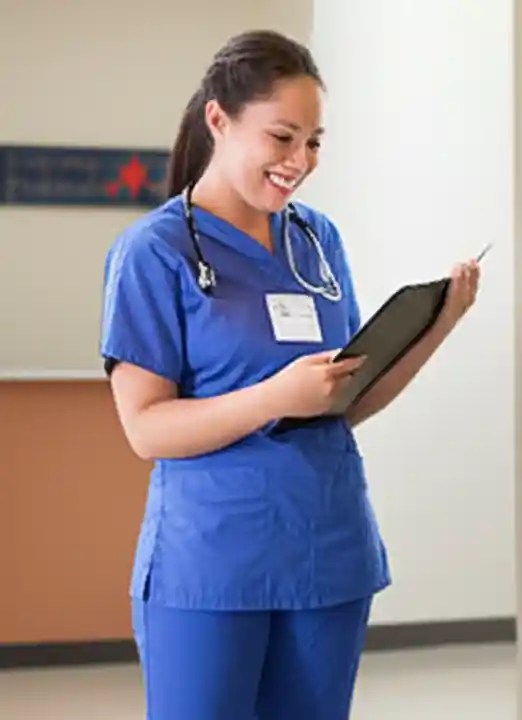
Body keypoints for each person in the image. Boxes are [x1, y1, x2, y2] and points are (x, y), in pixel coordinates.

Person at [99, 30, 481, 719]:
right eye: (282, 138)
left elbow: (348, 399)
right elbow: (146, 429)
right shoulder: (153, 252)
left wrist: (439, 323)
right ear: (219, 119)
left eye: (314, 142)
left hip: (327, 552)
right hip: (212, 563)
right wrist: (275, 396)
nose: (300, 161)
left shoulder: (317, 241)